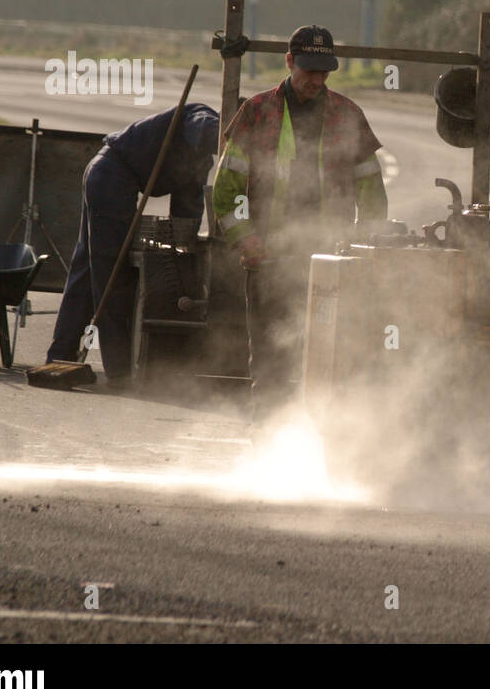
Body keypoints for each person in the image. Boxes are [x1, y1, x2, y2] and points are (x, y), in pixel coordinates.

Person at [212, 25, 388, 419]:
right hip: (270, 261)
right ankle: (267, 443)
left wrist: (367, 246)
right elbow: (227, 189)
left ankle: (328, 441)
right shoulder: (257, 112)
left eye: (324, 71)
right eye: (309, 69)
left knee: (333, 360)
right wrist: (246, 240)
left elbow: (372, 192)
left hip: (334, 265)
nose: (317, 79)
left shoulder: (348, 115)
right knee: (272, 361)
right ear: (290, 62)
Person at [46, 103, 219, 385]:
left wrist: (184, 244)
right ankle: (119, 371)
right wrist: (231, 135)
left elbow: (187, 207)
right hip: (110, 176)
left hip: (109, 177)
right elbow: (205, 129)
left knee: (86, 272)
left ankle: (59, 354)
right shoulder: (199, 116)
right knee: (111, 276)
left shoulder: (200, 161)